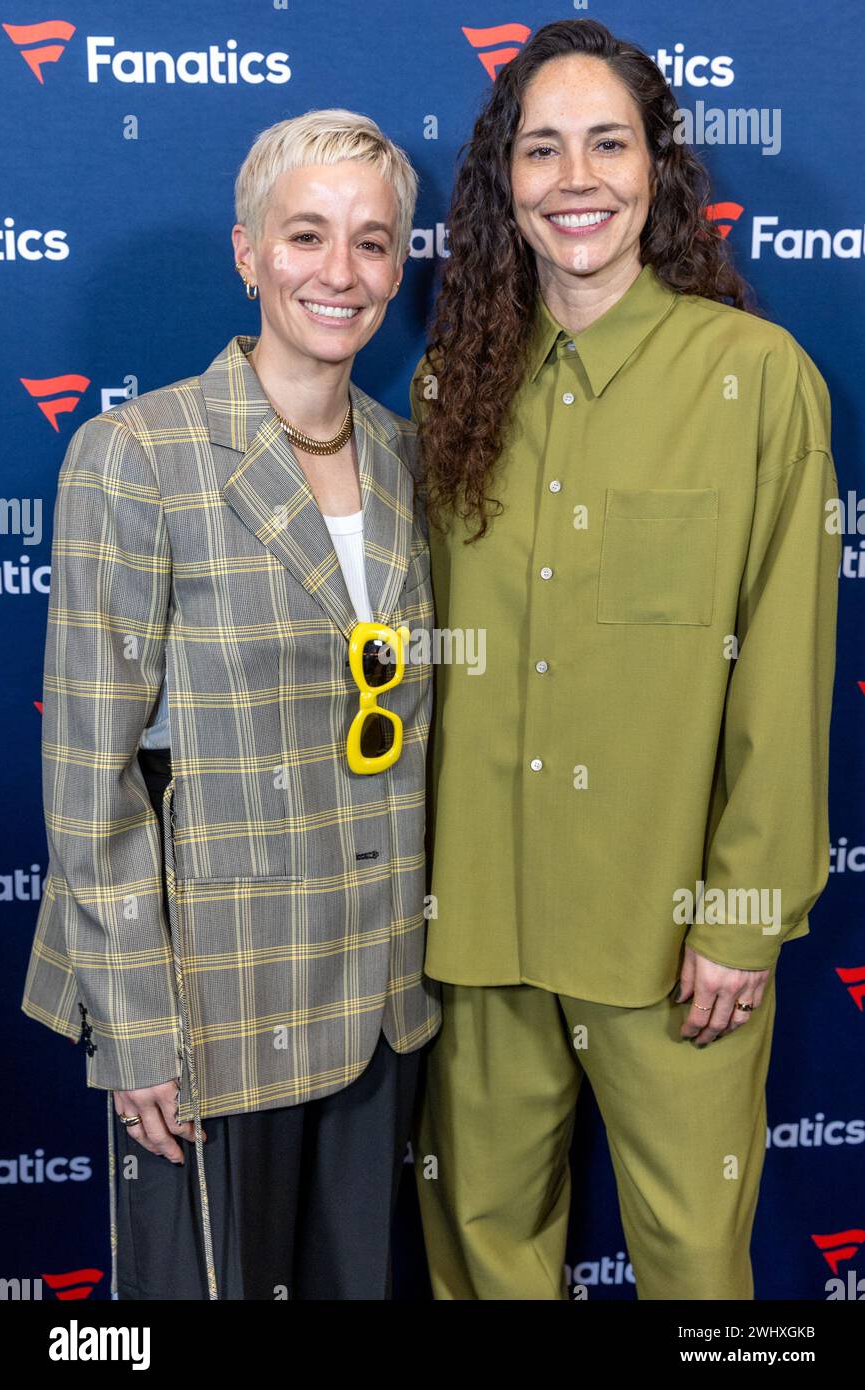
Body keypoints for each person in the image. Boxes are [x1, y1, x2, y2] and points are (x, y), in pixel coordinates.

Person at [409, 19, 840, 1300]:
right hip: (476, 927)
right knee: (482, 1261)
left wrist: (743, 914)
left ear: (657, 167)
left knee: (697, 1270)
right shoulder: (450, 387)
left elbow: (784, 669)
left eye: (608, 142)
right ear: (504, 182)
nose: (575, 177)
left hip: (671, 945)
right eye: (541, 149)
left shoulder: (756, 380)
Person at [21, 108, 440, 1300]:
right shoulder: (137, 454)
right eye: (305, 234)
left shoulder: (407, 458)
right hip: (211, 1003)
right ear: (248, 253)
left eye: (371, 242)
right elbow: (90, 772)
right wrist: (138, 1025)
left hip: (375, 1000)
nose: (339, 271)